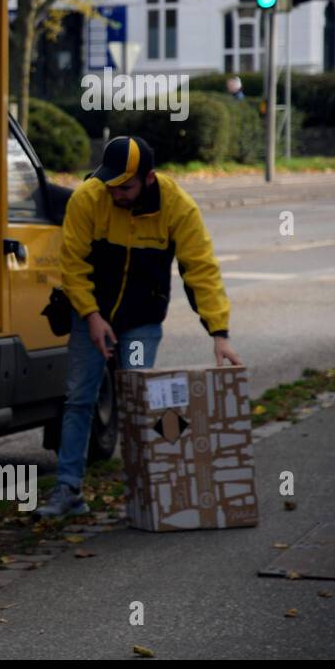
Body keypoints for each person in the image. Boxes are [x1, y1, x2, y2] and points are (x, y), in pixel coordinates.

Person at [35, 135, 244, 519]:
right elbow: (73, 264)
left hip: (141, 321)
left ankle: (143, 494)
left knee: (137, 400)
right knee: (79, 399)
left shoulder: (177, 206)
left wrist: (220, 333)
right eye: (111, 185)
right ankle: (68, 489)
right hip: (90, 315)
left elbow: (201, 269)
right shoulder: (88, 197)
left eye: (125, 187)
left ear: (148, 178)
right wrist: (91, 316)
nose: (115, 193)